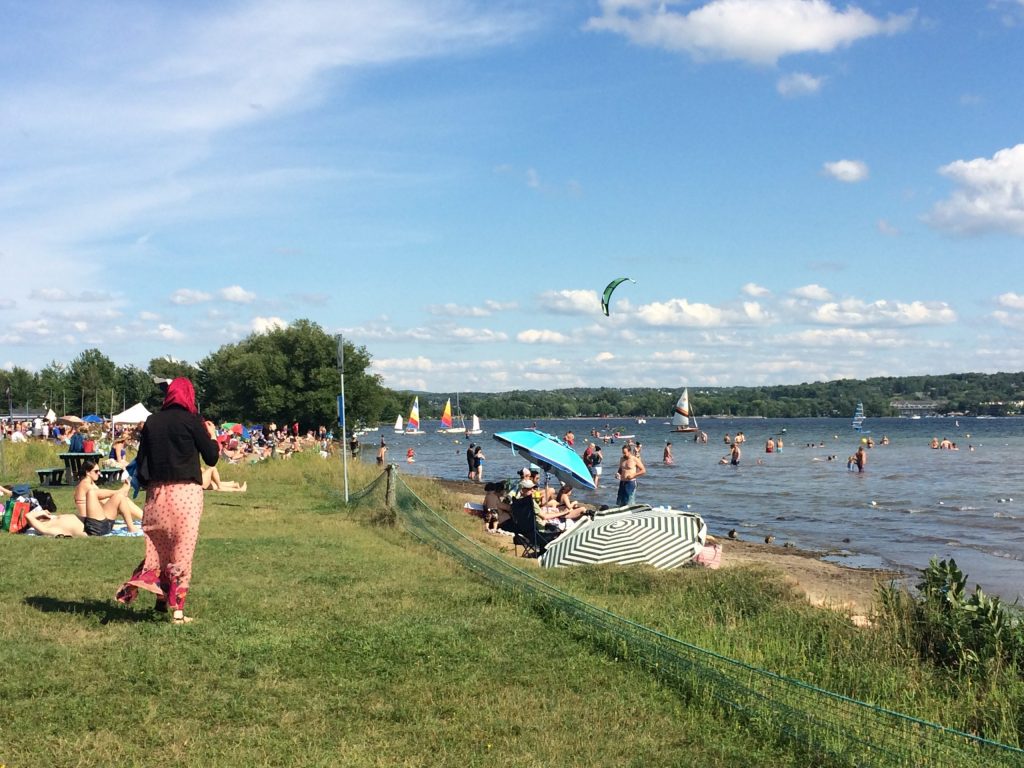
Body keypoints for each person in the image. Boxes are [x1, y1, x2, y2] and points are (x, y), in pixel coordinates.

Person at [115, 378, 220, 625]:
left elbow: (142, 462)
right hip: (186, 495)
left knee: (159, 550)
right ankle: (178, 612)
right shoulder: (192, 421)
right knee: (182, 551)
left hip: (157, 494)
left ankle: (160, 603)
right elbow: (212, 458)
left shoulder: (152, 422)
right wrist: (213, 435)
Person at [74, 460, 144, 535]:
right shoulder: (85, 484)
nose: (99, 473)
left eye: (99, 471)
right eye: (96, 471)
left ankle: (144, 517)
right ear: (87, 472)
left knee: (121, 498)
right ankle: (144, 518)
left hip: (97, 517)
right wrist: (119, 498)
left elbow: (104, 498)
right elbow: (103, 498)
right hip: (91, 521)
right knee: (120, 497)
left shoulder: (90, 483)